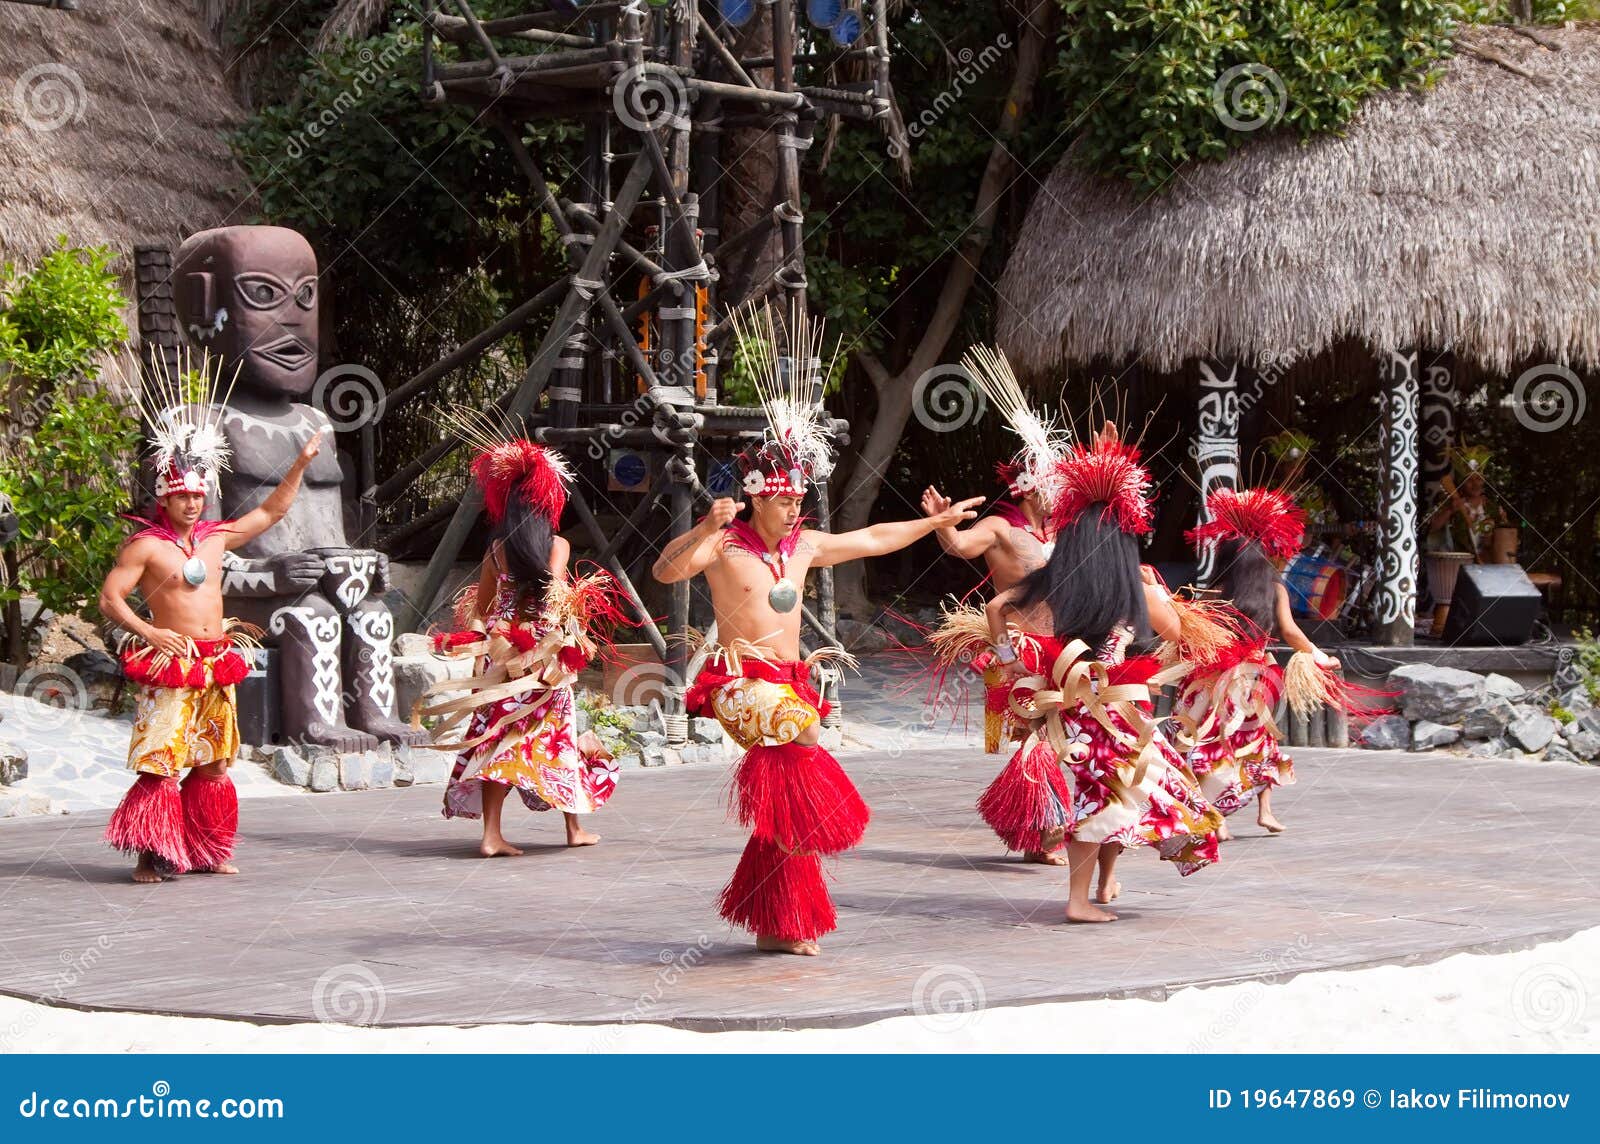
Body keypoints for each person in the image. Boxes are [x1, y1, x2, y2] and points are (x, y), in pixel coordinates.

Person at [654, 303, 981, 956]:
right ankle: (806, 857)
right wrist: (703, 526)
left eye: (799, 497)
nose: (793, 505)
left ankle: (780, 917)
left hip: (788, 680)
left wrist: (936, 526)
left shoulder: (803, 546)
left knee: (783, 812)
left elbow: (873, 537)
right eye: (781, 497)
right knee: (802, 734)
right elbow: (667, 573)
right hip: (739, 681)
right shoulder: (725, 546)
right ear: (753, 497)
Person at [983, 423, 1223, 923]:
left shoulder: (1058, 577)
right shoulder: (1131, 586)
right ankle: (1076, 901)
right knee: (1110, 797)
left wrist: (1008, 663)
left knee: (1115, 795)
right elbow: (1180, 631)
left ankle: (1104, 883)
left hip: (1075, 712)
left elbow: (996, 607)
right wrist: (1157, 597)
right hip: (1116, 714)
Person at [99, 399, 322, 883]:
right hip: (172, 661)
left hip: (216, 661)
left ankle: (204, 848)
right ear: (165, 499)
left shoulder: (216, 537)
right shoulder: (146, 546)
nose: (193, 503)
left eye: (199, 496)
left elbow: (271, 512)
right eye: (183, 497)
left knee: (216, 764)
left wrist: (301, 463)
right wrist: (150, 632)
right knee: (162, 762)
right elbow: (110, 598)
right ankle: (150, 854)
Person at [416, 422, 625, 857]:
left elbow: (487, 604)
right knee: (558, 738)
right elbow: (555, 597)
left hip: (503, 657)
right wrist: (575, 618)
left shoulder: (496, 549)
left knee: (498, 736)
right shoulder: (558, 545)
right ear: (547, 506)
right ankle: (573, 828)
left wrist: (482, 637)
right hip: (546, 659)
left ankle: (492, 835)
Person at [920, 345, 1069, 864]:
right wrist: (945, 523)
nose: (1060, 491)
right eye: (1053, 484)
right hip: (1020, 648)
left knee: (1056, 737)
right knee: (1041, 734)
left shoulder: (1058, 530)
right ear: (1030, 486)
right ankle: (1038, 831)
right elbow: (962, 548)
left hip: (1062, 648)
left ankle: (1032, 828)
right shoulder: (1001, 527)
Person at [1179, 486, 1343, 836]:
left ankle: (1216, 816)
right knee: (1258, 739)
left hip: (1216, 677)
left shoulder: (1211, 594)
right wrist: (1318, 655)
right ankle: (1264, 810)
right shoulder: (1275, 589)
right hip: (1256, 676)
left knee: (1216, 741)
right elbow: (1292, 633)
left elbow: (1191, 635)